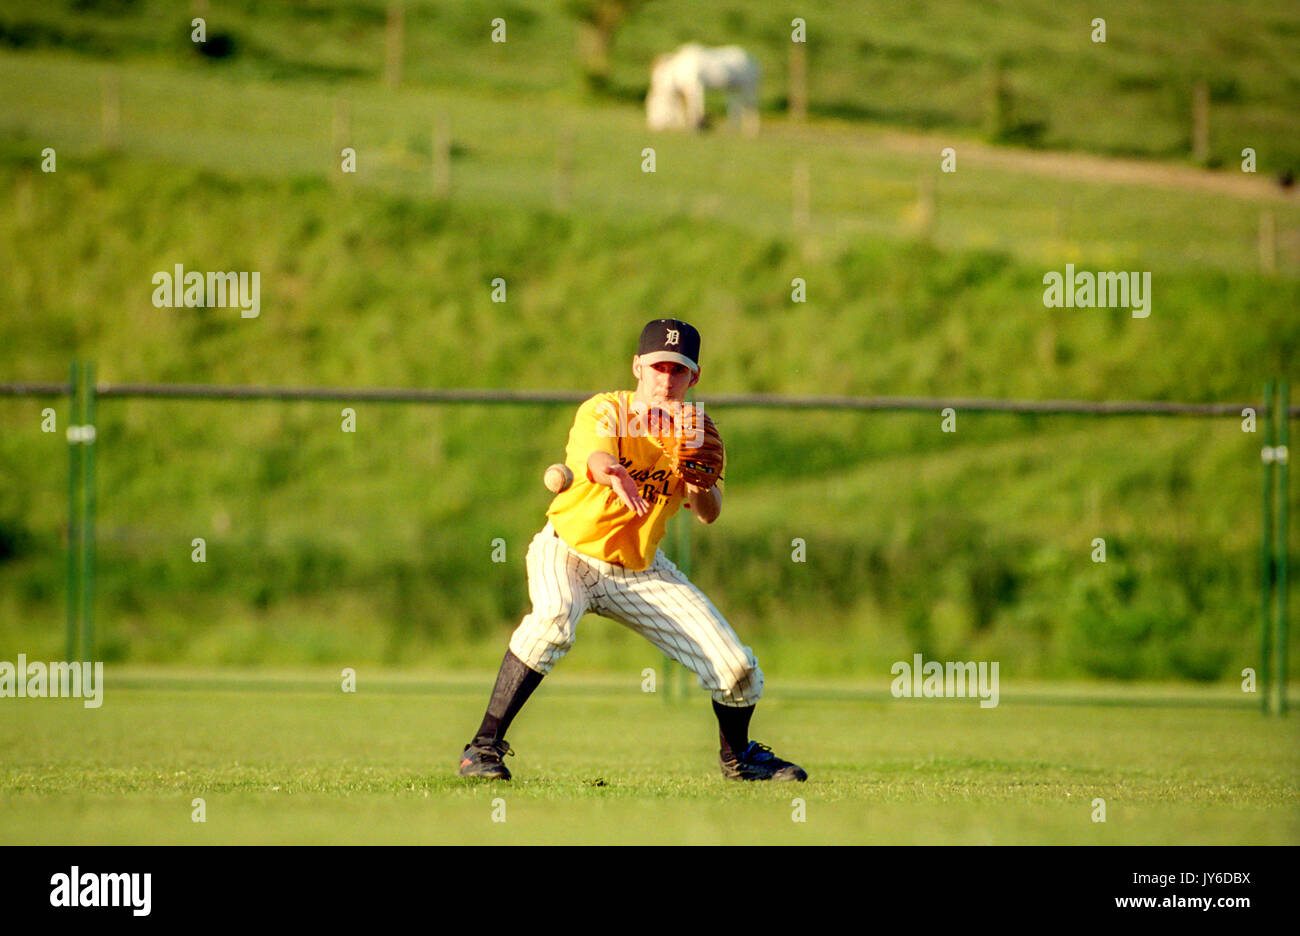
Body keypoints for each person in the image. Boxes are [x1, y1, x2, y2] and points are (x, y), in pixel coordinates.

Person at [457, 319, 806, 782]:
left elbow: (708, 513)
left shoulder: (694, 430)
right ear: (637, 367)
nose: (666, 379)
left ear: (694, 377)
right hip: (568, 552)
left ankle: (739, 760)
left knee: (736, 668)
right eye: (658, 366)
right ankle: (481, 750)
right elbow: (596, 457)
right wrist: (611, 473)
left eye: (678, 370)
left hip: (639, 571)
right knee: (553, 620)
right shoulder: (605, 410)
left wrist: (697, 474)